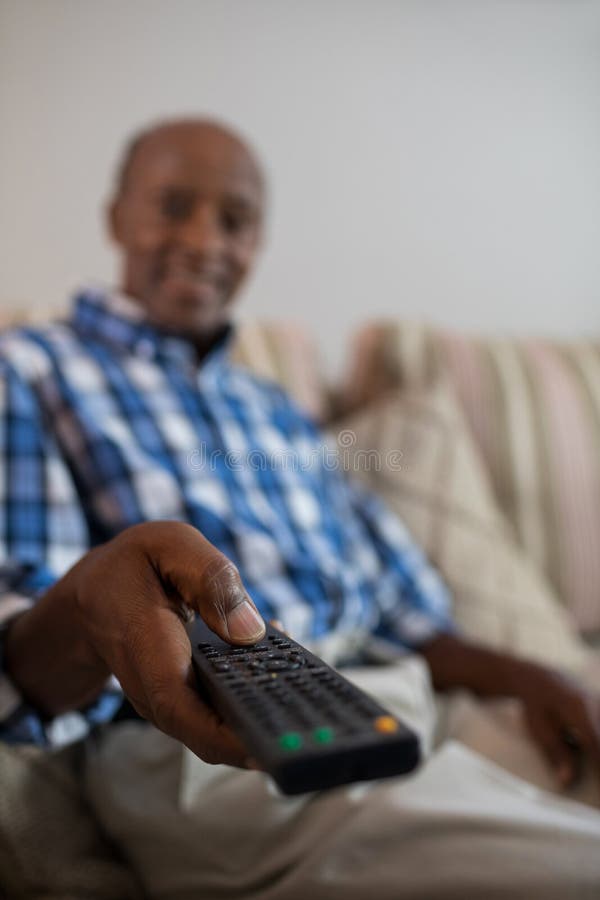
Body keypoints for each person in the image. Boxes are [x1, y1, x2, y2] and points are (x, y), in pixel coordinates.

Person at [1, 119, 599, 898]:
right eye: (172, 206)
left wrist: (541, 679)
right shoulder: (32, 369)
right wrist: (91, 597)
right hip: (221, 745)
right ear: (117, 217)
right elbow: (21, 646)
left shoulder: (275, 409)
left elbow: (403, 611)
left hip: (402, 701)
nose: (204, 240)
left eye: (235, 221)